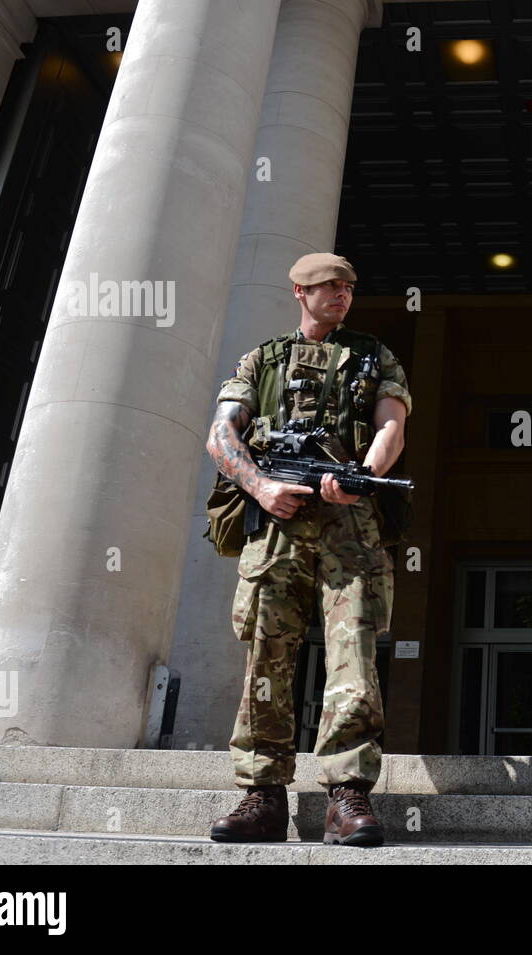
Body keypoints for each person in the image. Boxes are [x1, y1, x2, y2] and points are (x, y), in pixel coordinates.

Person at [205, 252, 411, 847]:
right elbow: (223, 433)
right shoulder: (262, 358)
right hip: (275, 526)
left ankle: (347, 796)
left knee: (354, 655)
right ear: (299, 291)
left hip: (350, 525)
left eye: (348, 286)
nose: (341, 295)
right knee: (267, 656)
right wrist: (261, 486)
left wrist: (362, 476)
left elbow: (391, 422)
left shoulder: (374, 354)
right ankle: (261, 795)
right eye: (328, 287)